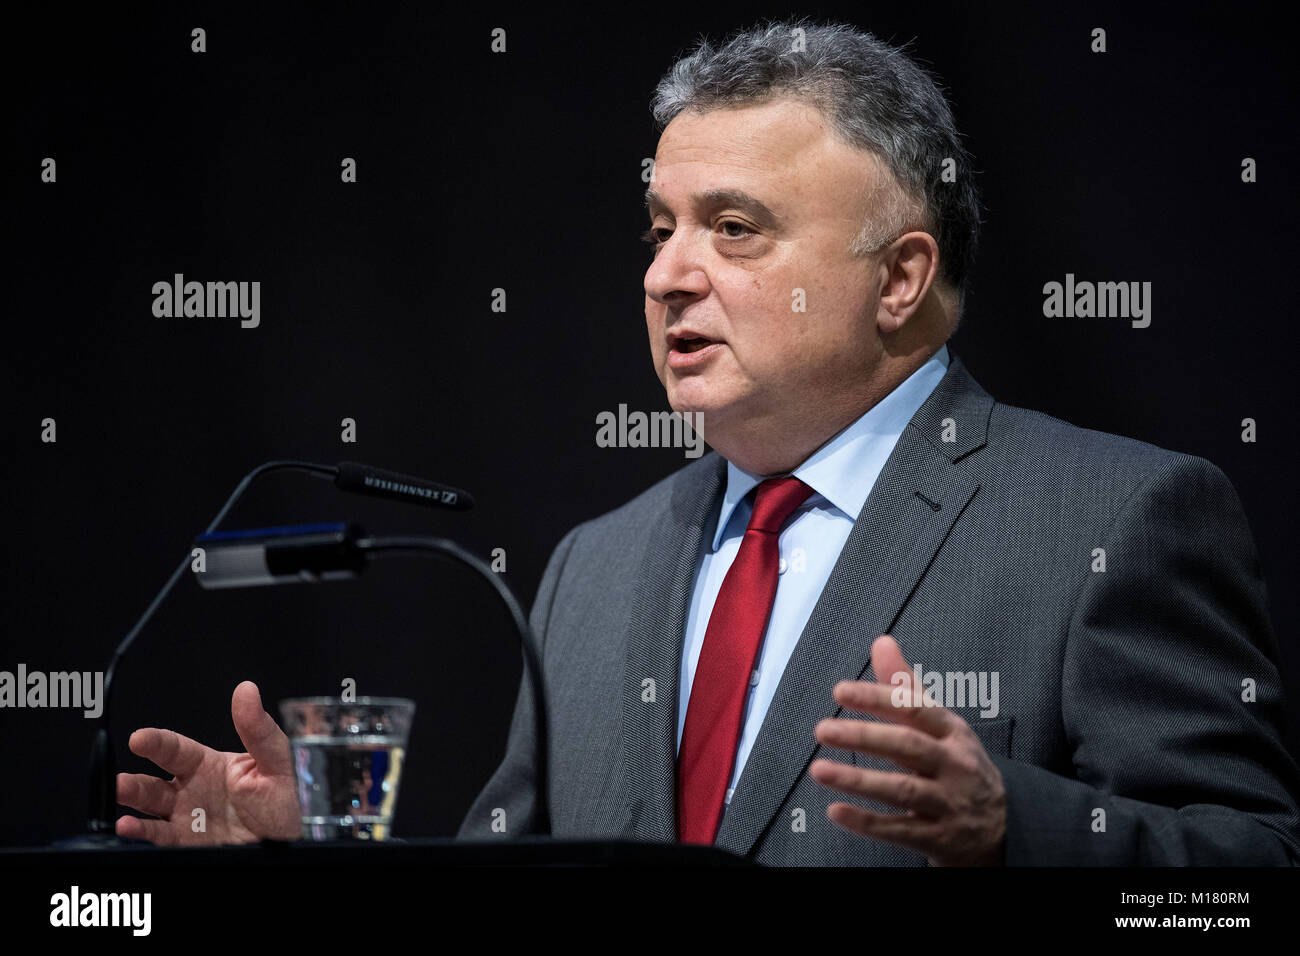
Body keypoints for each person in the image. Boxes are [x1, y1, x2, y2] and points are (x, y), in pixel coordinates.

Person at [116, 18, 1300, 865]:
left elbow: (1244, 870)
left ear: (898, 278)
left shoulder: (1110, 518)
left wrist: (1011, 826)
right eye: (660, 228)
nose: (667, 274)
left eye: (734, 230)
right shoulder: (599, 560)